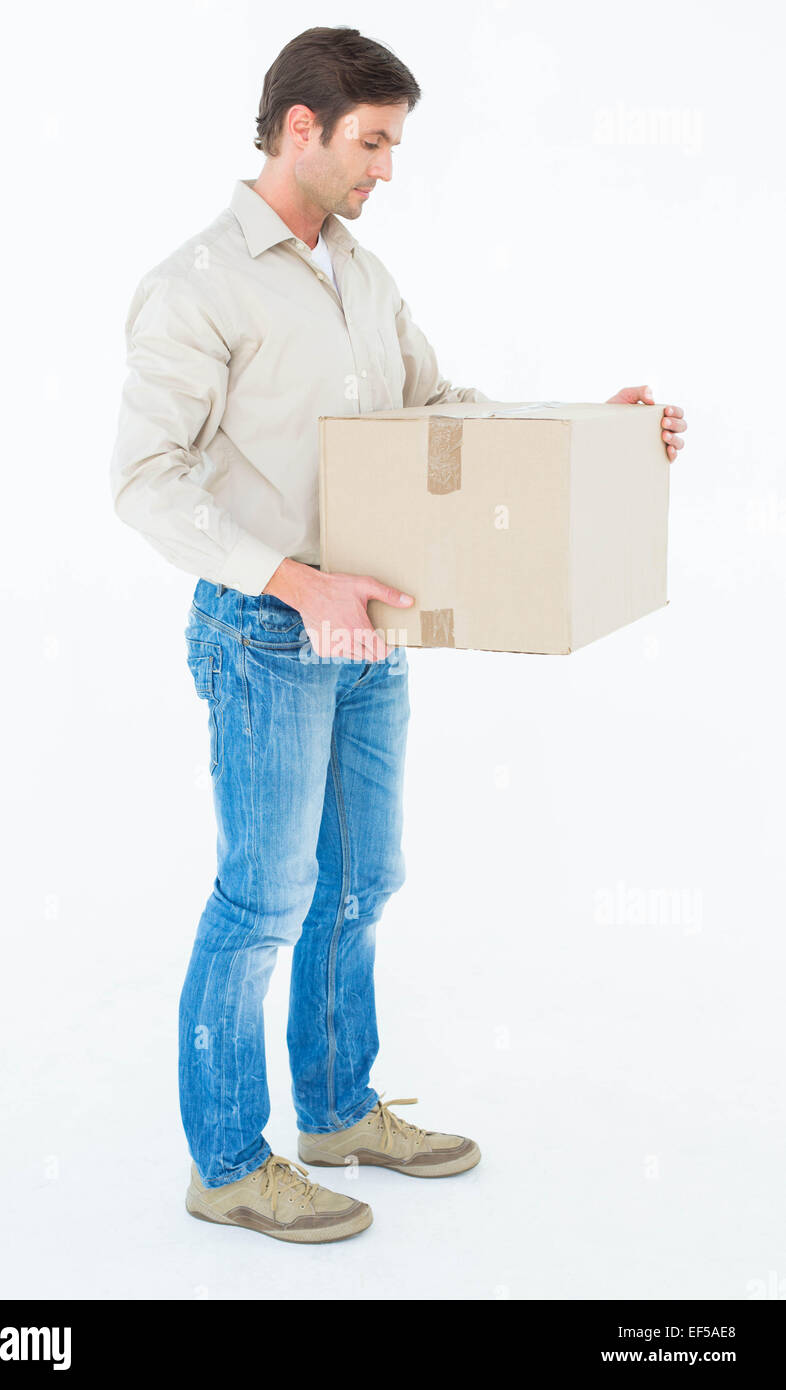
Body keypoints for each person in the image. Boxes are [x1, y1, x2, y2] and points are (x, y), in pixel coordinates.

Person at [110, 26, 688, 1245]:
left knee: (362, 881)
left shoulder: (359, 275)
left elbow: (435, 416)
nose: (388, 168)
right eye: (372, 142)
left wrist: (599, 428)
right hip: (266, 632)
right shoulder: (198, 284)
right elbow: (145, 483)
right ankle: (225, 1163)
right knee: (262, 900)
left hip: (370, 631)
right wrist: (292, 579)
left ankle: (334, 1111)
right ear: (300, 126)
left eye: (395, 144)